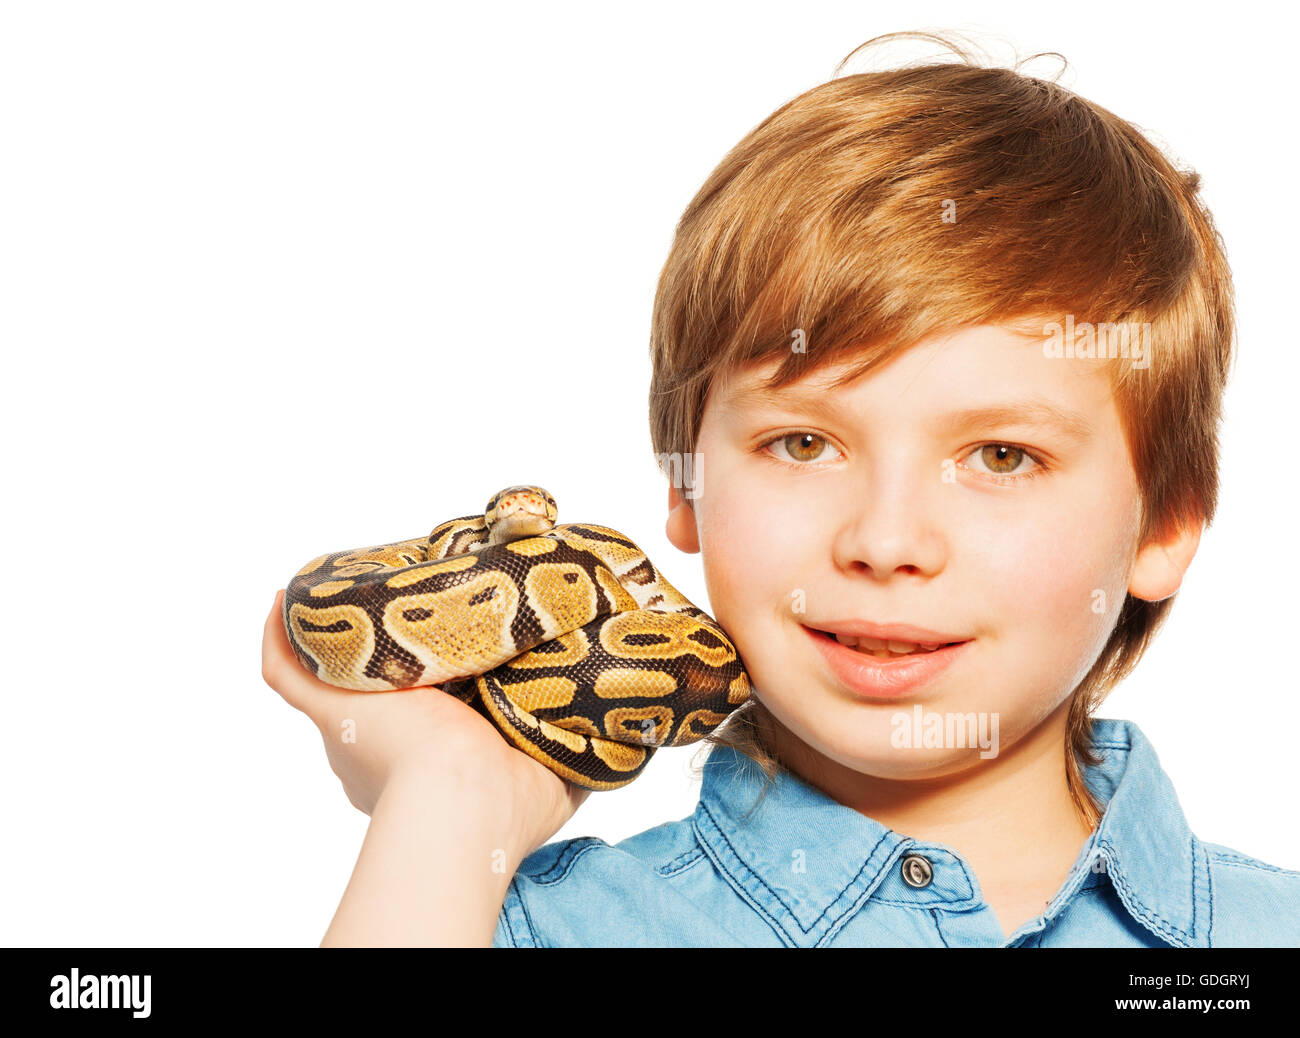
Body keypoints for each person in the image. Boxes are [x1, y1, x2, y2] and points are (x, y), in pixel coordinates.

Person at [260, 31, 1300, 946]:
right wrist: (449, 797)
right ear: (686, 485)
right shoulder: (495, 921)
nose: (886, 542)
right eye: (803, 444)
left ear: (1164, 524)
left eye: (999, 458)